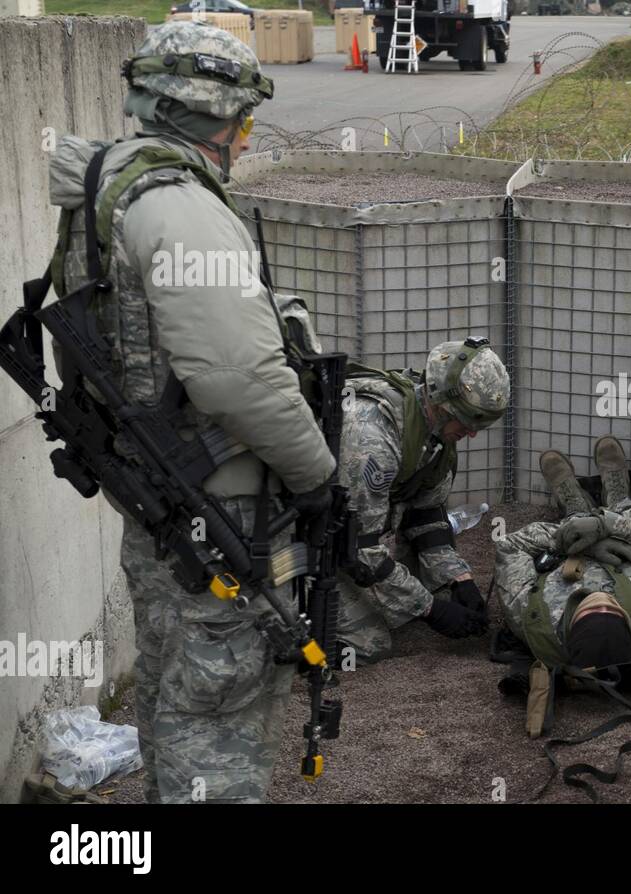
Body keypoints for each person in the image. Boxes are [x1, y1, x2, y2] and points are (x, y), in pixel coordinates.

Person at [44, 22, 336, 802]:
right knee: (219, 714)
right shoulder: (178, 204)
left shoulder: (110, 186)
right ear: (224, 115)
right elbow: (237, 376)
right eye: (245, 117)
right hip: (219, 507)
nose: (247, 136)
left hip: (165, 499)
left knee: (177, 696)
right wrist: (317, 474)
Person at [493, 437, 631, 734]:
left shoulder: (530, 615)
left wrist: (569, 536)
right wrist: (608, 526)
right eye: (612, 607)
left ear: (571, 623)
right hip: (627, 545)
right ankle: (618, 496)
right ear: (628, 622)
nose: (601, 595)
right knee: (626, 512)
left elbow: (510, 546)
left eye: (588, 607)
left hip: (571, 545)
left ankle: (574, 504)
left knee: (577, 519)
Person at [336, 338, 509, 663]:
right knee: (367, 642)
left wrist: (459, 579)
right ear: (443, 403)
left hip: (354, 535)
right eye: (469, 421)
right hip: (300, 544)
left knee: (436, 592)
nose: (472, 433)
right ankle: (280, 613)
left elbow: (426, 516)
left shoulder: (436, 434)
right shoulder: (372, 436)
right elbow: (361, 551)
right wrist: (429, 609)